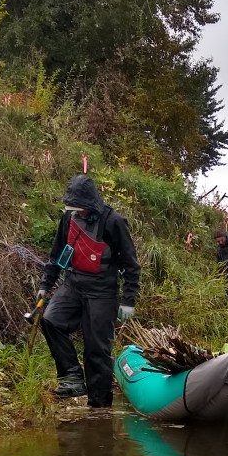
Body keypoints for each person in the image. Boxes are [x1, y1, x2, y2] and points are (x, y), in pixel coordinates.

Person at [38, 174, 141, 407]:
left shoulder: (114, 221)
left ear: (91, 203)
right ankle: (72, 377)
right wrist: (46, 284)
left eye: (80, 208)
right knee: (51, 320)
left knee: (97, 350)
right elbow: (57, 254)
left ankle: (100, 408)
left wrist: (128, 300)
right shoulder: (68, 218)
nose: (76, 212)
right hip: (73, 283)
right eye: (72, 208)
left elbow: (131, 265)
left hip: (103, 291)